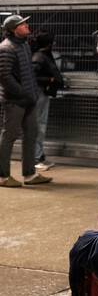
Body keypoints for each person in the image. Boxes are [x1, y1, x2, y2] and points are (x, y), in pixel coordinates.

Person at [0, 14, 52, 188]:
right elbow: (5, 77)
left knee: (31, 135)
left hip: (29, 100)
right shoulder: (6, 48)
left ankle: (29, 174)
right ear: (15, 29)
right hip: (15, 101)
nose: (27, 26)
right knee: (9, 136)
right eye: (23, 24)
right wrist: (23, 94)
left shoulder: (24, 46)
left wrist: (31, 95)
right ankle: (2, 177)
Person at [30, 30, 64, 171]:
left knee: (40, 125)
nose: (54, 43)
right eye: (53, 41)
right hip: (39, 93)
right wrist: (49, 79)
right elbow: (32, 76)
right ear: (49, 43)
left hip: (43, 93)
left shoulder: (43, 55)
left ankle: (39, 156)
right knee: (38, 125)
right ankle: (36, 158)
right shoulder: (39, 57)